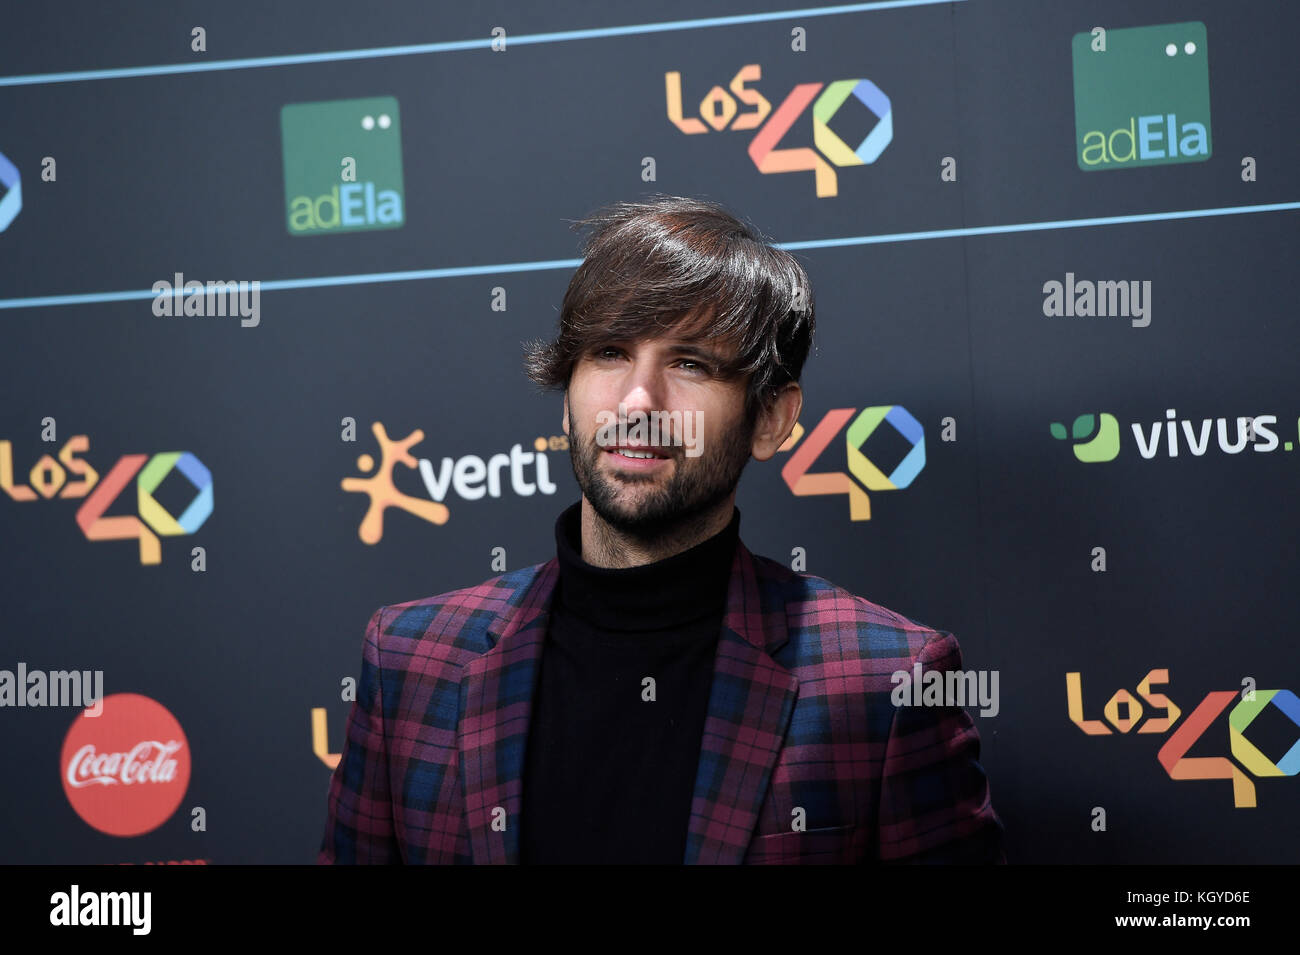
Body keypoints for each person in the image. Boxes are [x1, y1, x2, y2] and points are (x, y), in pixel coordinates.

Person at [319, 194, 1005, 864]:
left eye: (690, 363)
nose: (638, 400)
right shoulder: (410, 662)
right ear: (567, 398)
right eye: (611, 352)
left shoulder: (888, 684)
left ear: (770, 417)